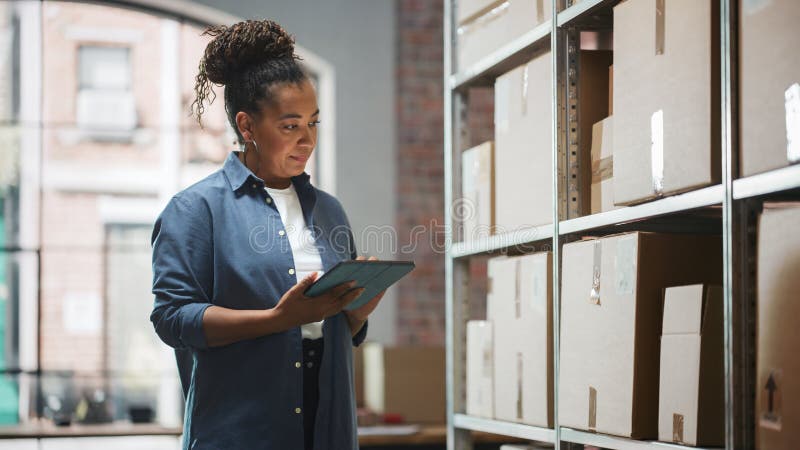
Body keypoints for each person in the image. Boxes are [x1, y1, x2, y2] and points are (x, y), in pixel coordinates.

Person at [150, 19, 384, 450]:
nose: (307, 140)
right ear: (247, 126)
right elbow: (172, 318)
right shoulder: (196, 210)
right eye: (290, 126)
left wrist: (357, 312)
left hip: (327, 428)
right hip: (240, 431)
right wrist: (278, 320)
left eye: (313, 123)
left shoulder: (330, 211)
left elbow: (334, 329)